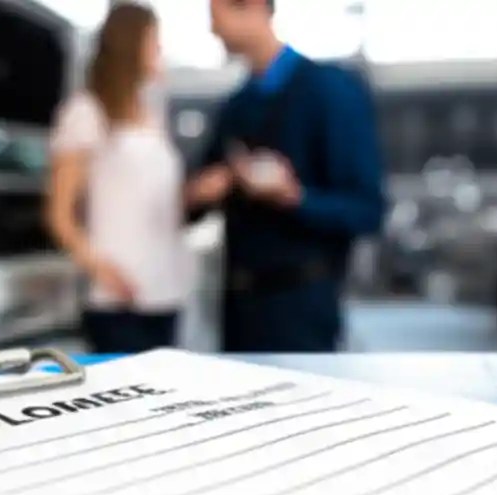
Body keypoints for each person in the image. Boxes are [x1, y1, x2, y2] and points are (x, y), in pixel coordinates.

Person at [186, 0, 386, 352]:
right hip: (238, 310)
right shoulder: (237, 107)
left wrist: (295, 198)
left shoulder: (329, 92)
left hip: (299, 310)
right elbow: (193, 201)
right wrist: (202, 191)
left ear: (254, 8)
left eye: (217, 17)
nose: (212, 30)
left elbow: (367, 209)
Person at [46, 3, 190, 354]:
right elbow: (60, 216)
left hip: (164, 291)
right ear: (131, 45)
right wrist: (102, 269)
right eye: (153, 40)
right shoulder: (87, 113)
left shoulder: (152, 116)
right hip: (116, 297)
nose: (159, 50)